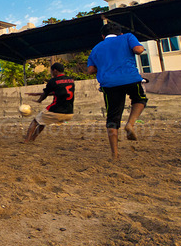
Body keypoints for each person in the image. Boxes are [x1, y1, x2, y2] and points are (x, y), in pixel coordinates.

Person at [87, 21, 148, 159]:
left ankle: (115, 154)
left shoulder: (96, 48)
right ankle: (130, 124)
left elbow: (90, 70)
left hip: (109, 84)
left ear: (103, 36)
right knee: (139, 99)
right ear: (120, 33)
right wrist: (140, 48)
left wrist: (103, 65)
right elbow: (138, 50)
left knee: (113, 118)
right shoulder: (127, 37)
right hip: (130, 78)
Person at [23, 63, 75, 143]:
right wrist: (37, 94)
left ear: (55, 70)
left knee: (35, 121)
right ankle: (32, 139)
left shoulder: (53, 81)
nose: (51, 73)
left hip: (56, 110)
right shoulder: (71, 80)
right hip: (69, 112)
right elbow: (59, 92)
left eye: (51, 71)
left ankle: (26, 140)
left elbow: (45, 94)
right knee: (43, 121)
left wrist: (39, 100)